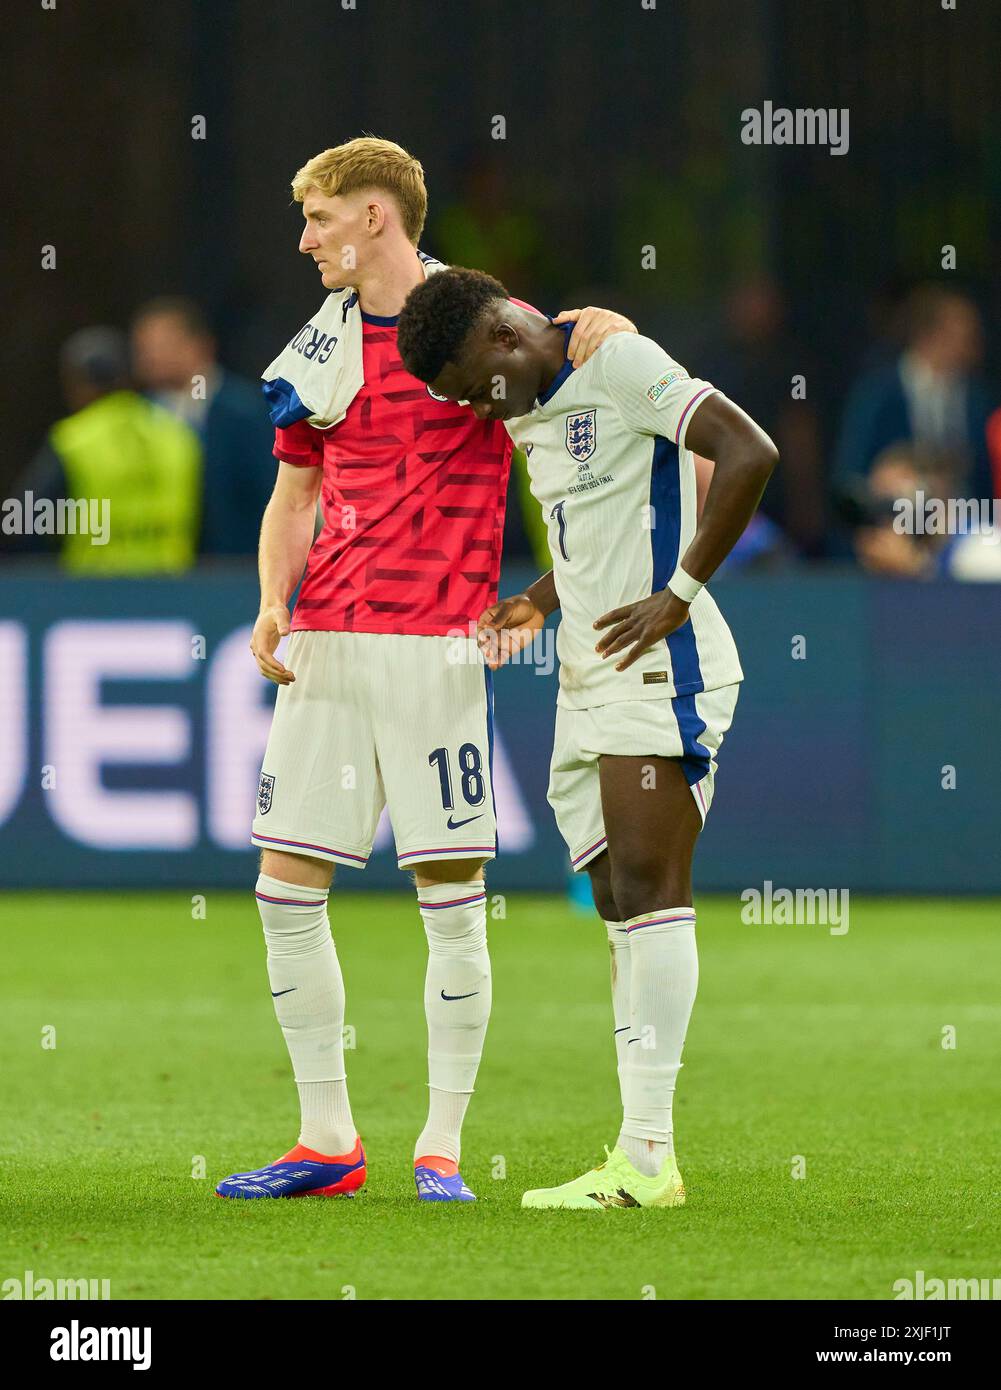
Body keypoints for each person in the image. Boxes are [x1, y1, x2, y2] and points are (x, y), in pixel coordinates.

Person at [214, 137, 635, 1204]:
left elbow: (595, 371)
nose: (306, 240)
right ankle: (325, 1139)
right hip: (326, 646)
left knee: (450, 900)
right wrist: (272, 602)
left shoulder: (477, 326)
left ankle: (439, 1147)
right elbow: (296, 494)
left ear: (374, 218)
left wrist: (606, 326)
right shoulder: (319, 347)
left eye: (317, 218)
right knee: (281, 888)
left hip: (437, 650)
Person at [396, 268, 777, 1210]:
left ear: (498, 342)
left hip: (660, 659)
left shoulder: (618, 360)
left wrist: (678, 594)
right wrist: (535, 597)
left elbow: (749, 451)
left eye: (461, 387)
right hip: (585, 666)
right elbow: (595, 530)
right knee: (613, 890)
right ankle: (639, 1147)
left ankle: (647, 1158)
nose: (466, 409)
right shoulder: (530, 392)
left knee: (649, 888)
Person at [14, 327, 201, 573]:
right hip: (177, 588)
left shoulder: (73, 439)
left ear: (76, 383)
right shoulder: (178, 434)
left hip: (94, 592)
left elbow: (23, 522)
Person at [131, 297, 276, 558]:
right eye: (144, 349)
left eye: (164, 346)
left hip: (235, 573)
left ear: (201, 346)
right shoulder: (134, 417)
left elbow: (273, 495)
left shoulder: (247, 412)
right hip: (161, 577)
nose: (152, 357)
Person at [834, 285, 995, 502]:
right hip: (893, 524)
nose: (973, 350)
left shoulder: (977, 400)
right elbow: (850, 475)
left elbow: (985, 480)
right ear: (929, 335)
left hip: (965, 525)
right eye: (963, 338)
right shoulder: (878, 393)